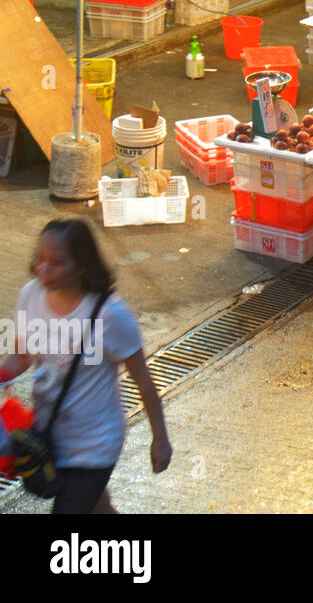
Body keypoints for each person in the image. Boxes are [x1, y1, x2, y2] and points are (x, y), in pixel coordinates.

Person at [0, 219, 171, 513]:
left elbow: (143, 380)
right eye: (40, 259)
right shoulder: (31, 295)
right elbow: (21, 355)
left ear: (81, 265)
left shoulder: (111, 314)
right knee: (96, 506)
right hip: (50, 433)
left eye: (57, 262)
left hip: (95, 444)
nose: (44, 268)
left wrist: (161, 439)